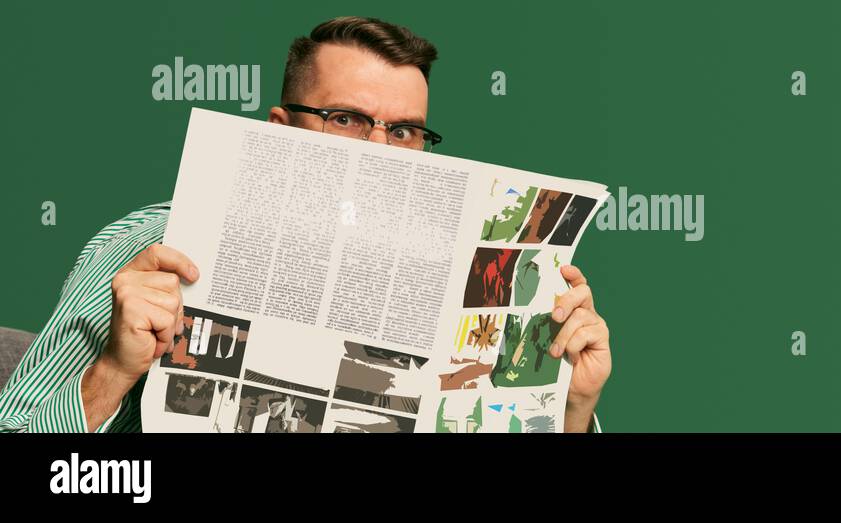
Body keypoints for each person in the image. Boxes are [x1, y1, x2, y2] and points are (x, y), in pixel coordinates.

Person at [0, 16, 612, 433]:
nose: (378, 150)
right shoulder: (148, 250)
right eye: (346, 119)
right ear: (279, 128)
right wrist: (111, 372)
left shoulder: (470, 277)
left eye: (403, 131)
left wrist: (572, 410)